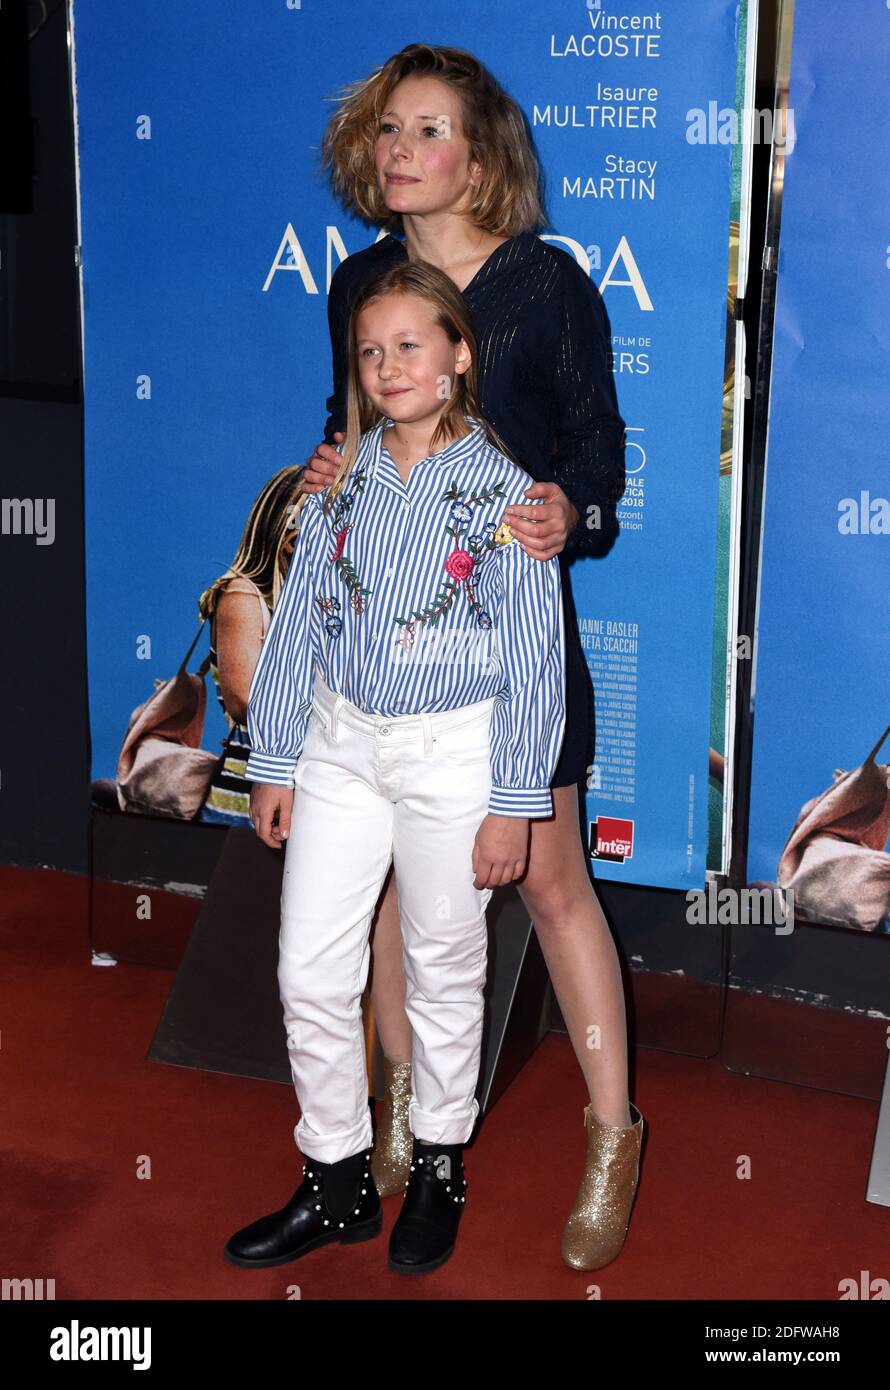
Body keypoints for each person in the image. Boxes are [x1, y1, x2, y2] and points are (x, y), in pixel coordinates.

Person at [301, 42, 645, 1270]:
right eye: (389, 128)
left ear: (483, 153)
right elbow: (341, 432)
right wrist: (330, 470)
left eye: (429, 129)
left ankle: (612, 1138)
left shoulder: (546, 287)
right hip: (380, 655)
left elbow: (600, 464)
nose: (400, 150)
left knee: (549, 884)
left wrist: (568, 511)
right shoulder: (355, 285)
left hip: (507, 645)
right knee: (393, 892)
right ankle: (405, 1115)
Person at [223, 259, 566, 1275]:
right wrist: (272, 761)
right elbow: (293, 638)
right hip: (336, 747)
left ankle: (437, 1170)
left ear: (458, 356)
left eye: (409, 345)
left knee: (445, 969)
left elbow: (532, 657)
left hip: (454, 755)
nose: (386, 367)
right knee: (307, 968)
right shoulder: (337, 483)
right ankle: (333, 1178)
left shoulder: (510, 498)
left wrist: (512, 803)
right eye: (369, 352)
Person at [196, 466, 304, 825]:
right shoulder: (245, 595)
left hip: (306, 795)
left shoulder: (312, 600)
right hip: (247, 802)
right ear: (289, 537)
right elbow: (245, 702)